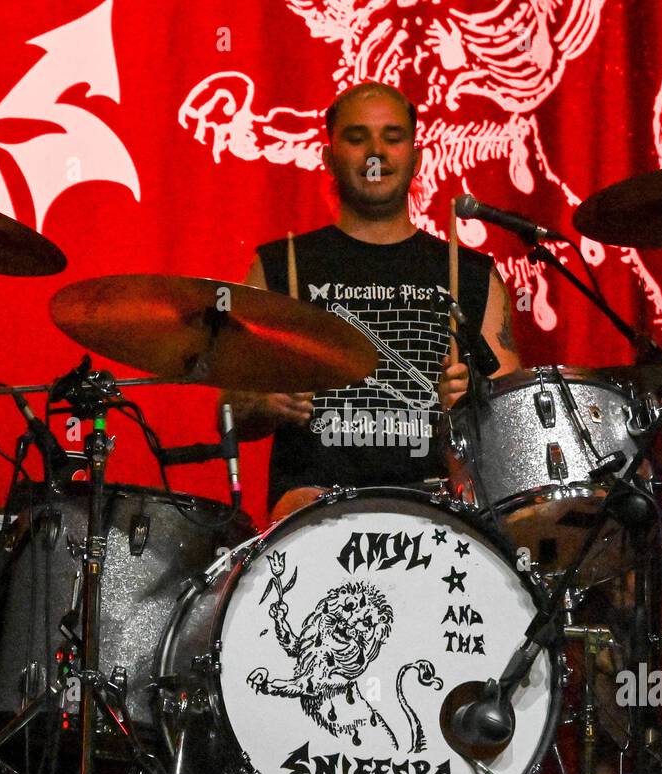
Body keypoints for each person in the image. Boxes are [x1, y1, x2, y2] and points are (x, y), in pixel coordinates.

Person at [222, 81, 521, 522]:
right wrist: (265, 404)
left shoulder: (471, 274)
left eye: (393, 137)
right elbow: (229, 410)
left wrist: (473, 401)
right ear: (328, 157)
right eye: (357, 138)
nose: (376, 151)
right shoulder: (281, 266)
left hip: (439, 518)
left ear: (416, 158)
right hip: (310, 514)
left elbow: (514, 423)